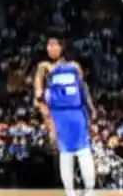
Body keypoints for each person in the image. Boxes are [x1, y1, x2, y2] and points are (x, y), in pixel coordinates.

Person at [34, 37, 96, 196]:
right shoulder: (44, 67)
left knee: (84, 149)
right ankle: (70, 192)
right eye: (48, 45)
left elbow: (83, 87)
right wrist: (47, 119)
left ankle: (89, 190)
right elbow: (38, 93)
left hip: (77, 111)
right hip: (58, 113)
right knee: (65, 152)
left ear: (62, 47)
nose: (50, 48)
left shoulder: (74, 66)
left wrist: (91, 107)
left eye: (53, 44)